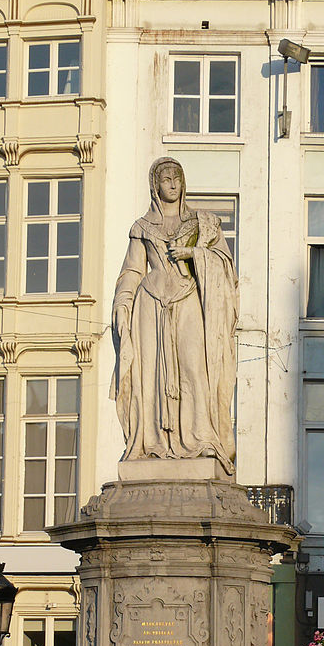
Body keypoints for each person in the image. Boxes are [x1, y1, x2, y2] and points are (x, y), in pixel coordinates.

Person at [110, 157, 239, 475]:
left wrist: (194, 254)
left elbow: (225, 267)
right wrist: (123, 302)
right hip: (150, 306)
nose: (172, 183)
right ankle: (153, 442)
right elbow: (132, 271)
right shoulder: (142, 228)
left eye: (177, 178)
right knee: (150, 376)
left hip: (188, 302)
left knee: (195, 371)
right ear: (155, 186)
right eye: (165, 178)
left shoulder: (202, 223)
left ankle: (201, 439)